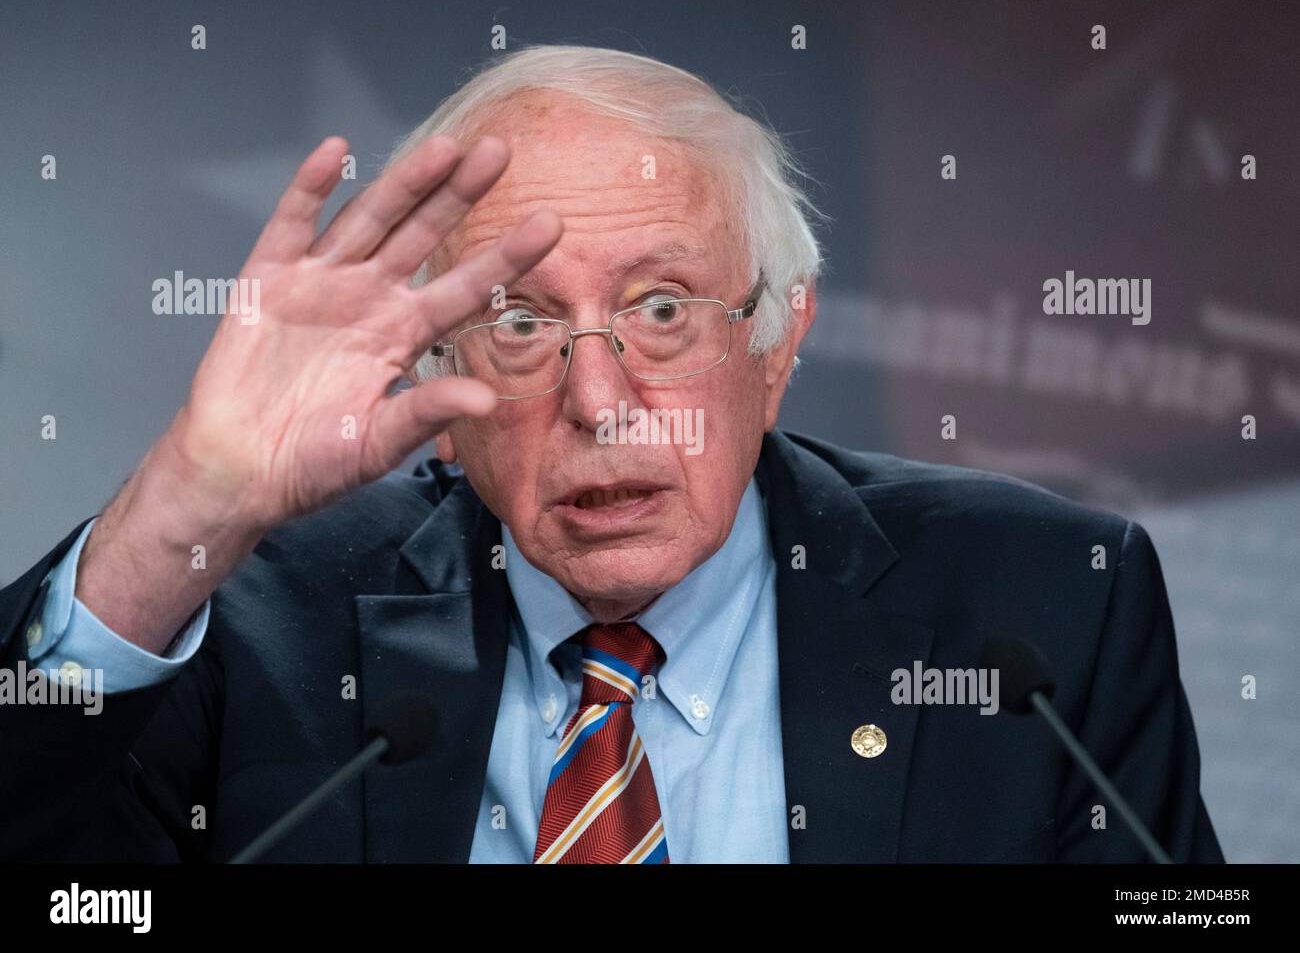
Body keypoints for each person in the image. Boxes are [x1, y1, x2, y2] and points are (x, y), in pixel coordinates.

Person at [0, 45, 1222, 863]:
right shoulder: (254, 615)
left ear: (778, 338)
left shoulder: (1049, 602)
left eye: (661, 309)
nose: (601, 399)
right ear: (434, 362)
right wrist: (179, 515)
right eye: (521, 323)